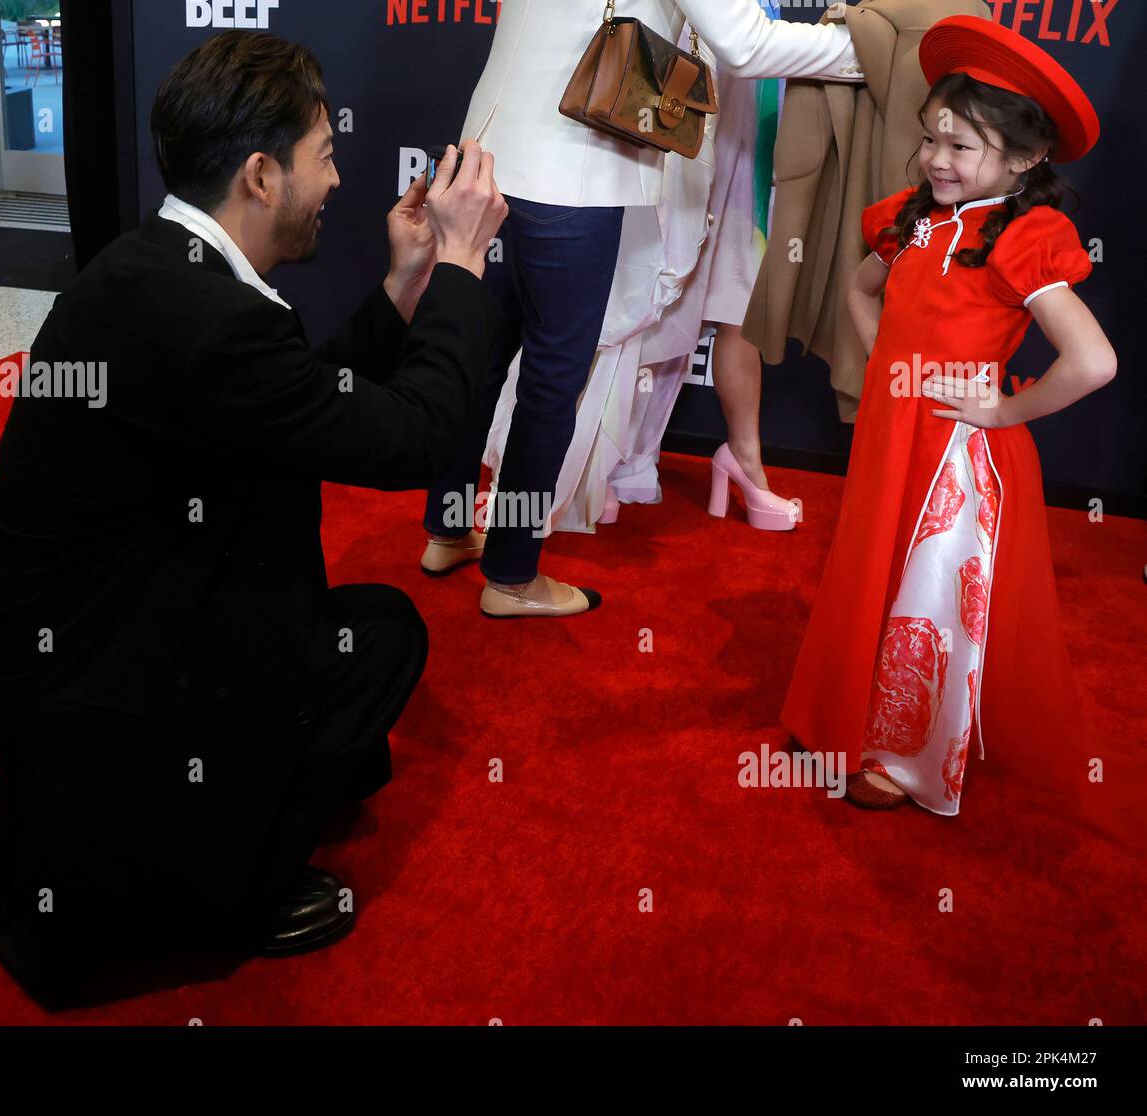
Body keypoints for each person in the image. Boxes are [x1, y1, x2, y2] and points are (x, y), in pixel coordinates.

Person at [0, 31, 507, 1009]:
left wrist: (406, 280)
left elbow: (304, 402)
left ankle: (216, 808)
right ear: (261, 175)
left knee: (362, 638)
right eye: (324, 157)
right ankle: (224, 889)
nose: (338, 181)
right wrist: (465, 263)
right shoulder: (205, 317)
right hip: (99, 696)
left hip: (77, 653)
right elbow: (417, 440)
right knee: (378, 644)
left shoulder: (161, 266)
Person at [418, 0, 866, 616]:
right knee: (553, 380)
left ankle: (447, 531)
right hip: (571, 171)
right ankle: (512, 575)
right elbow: (745, 44)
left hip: (486, 156)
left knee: (487, 357)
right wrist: (866, 49)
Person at [782, 17, 1116, 818]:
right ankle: (846, 714)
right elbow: (863, 290)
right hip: (891, 433)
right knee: (874, 565)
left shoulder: (1026, 238)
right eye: (932, 139)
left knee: (927, 592)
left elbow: (1093, 361)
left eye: (961, 146)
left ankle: (903, 756)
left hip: (955, 457)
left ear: (1026, 158)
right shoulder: (912, 218)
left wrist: (1004, 409)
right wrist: (886, 365)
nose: (937, 159)